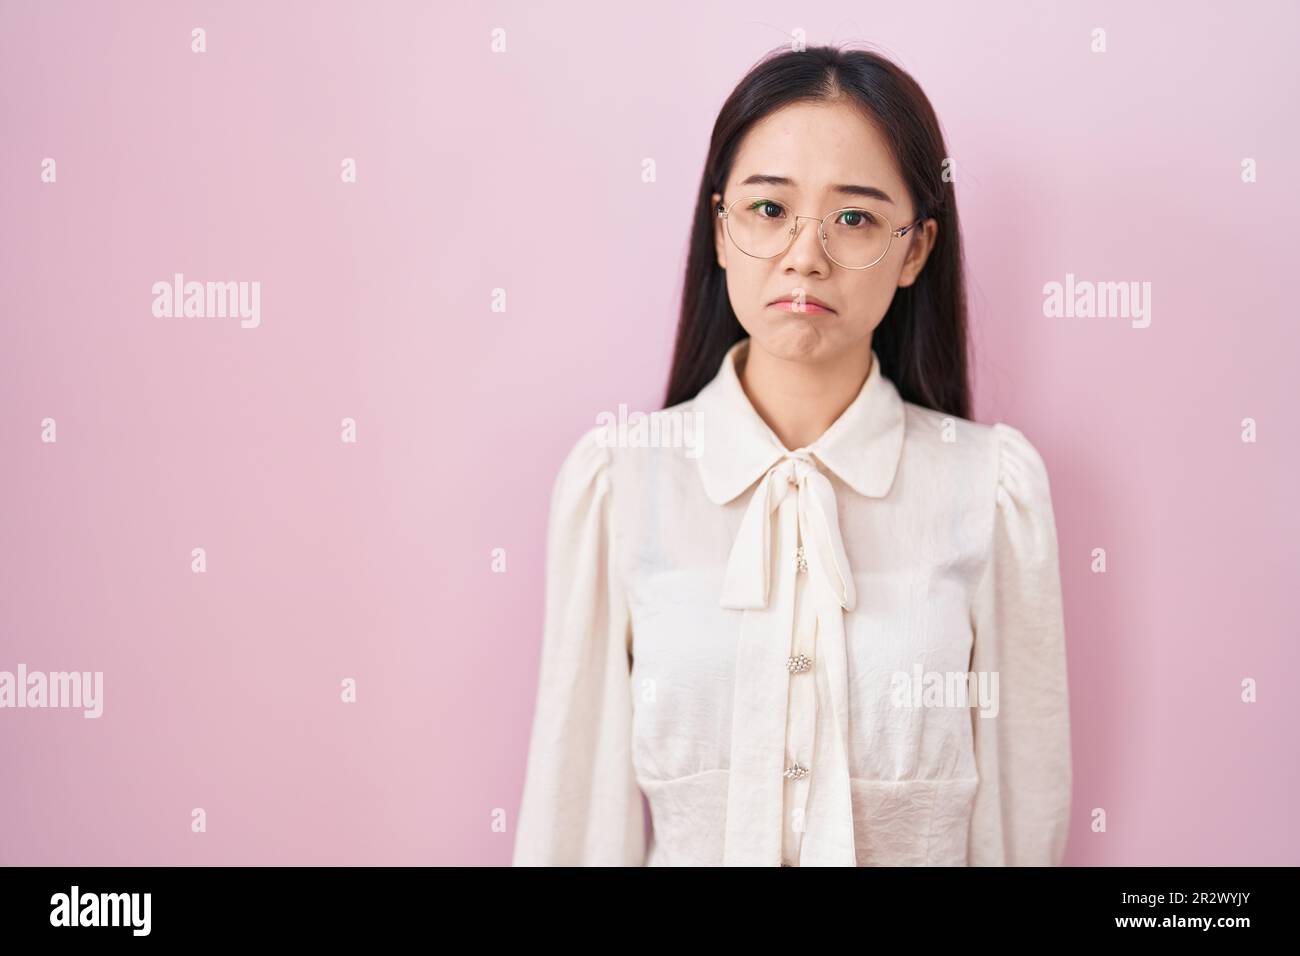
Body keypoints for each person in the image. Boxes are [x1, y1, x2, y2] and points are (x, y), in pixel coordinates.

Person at [512, 43, 1071, 867]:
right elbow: (577, 813)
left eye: (855, 218)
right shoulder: (621, 482)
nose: (805, 256)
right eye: (769, 210)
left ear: (914, 250)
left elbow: (1021, 818)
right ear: (720, 229)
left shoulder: (989, 489)